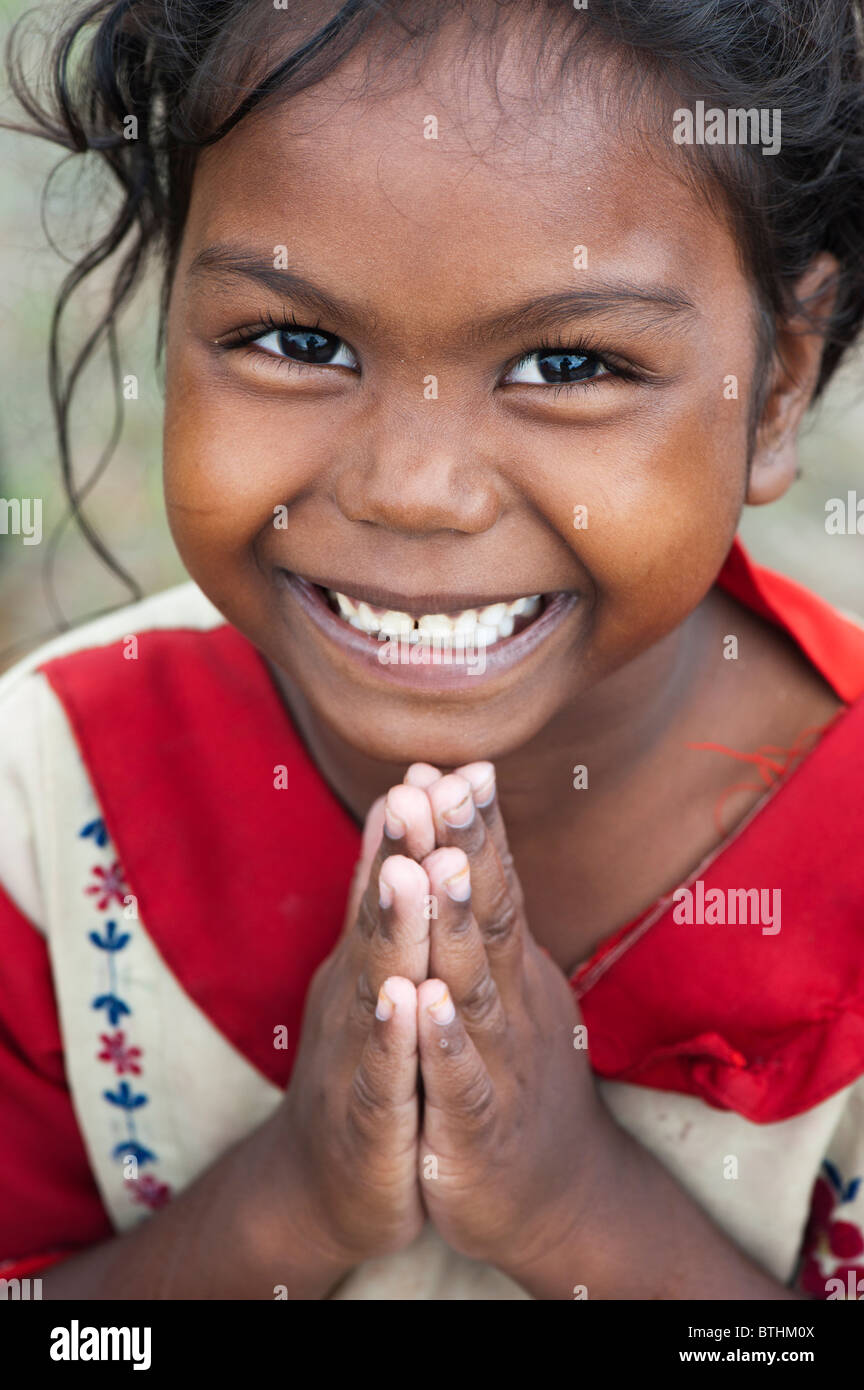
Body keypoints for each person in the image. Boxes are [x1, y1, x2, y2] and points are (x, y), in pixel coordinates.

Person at [1, 0, 863, 1300]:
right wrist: (287, 1201)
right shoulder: (47, 803)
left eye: (569, 362)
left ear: (780, 384)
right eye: (297, 343)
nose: (414, 490)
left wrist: (581, 1207)